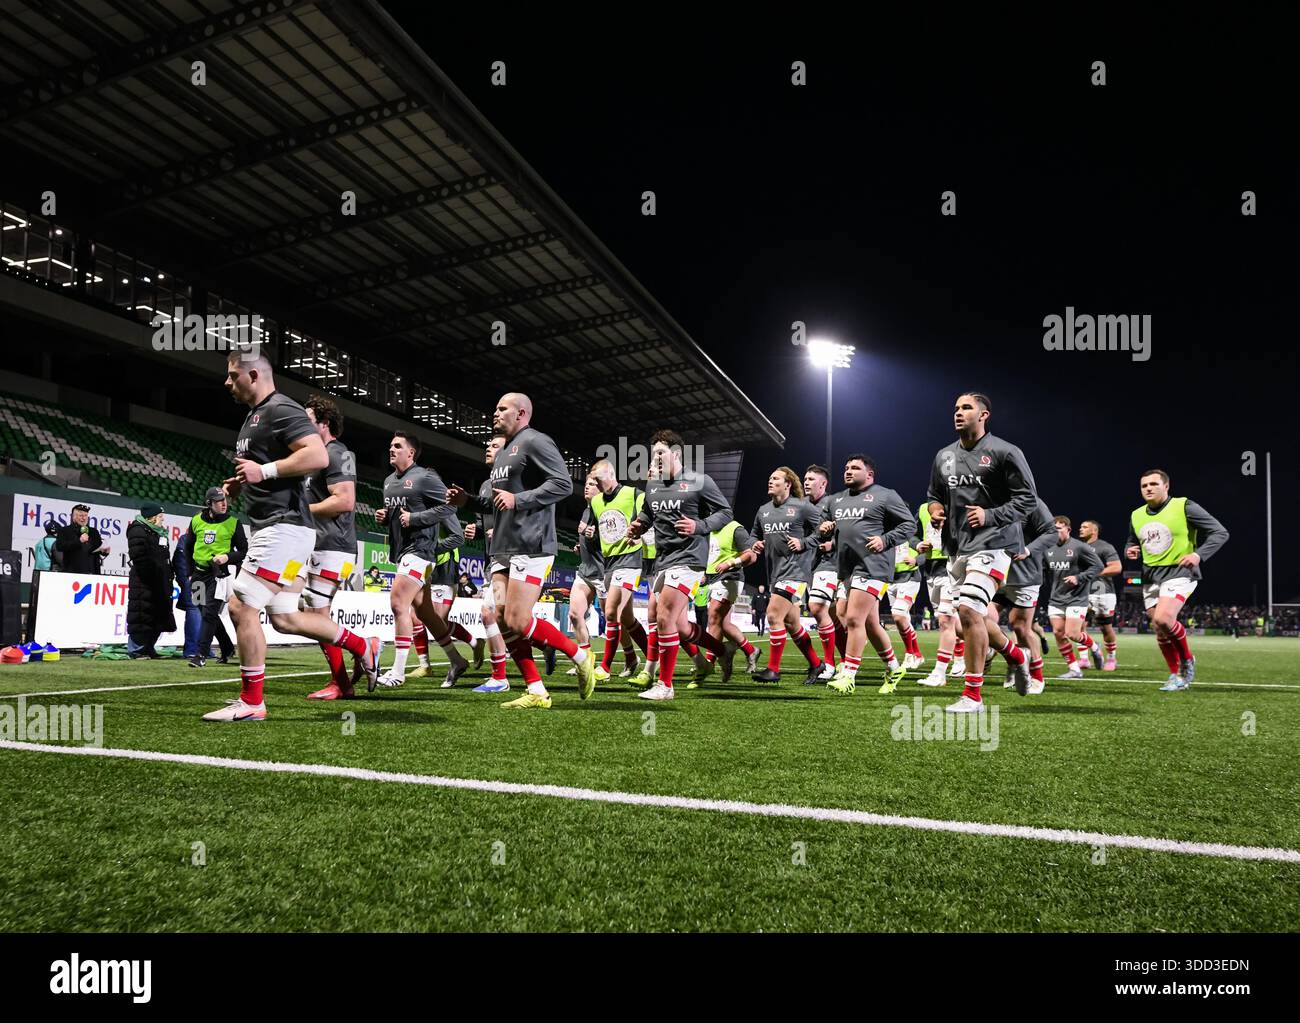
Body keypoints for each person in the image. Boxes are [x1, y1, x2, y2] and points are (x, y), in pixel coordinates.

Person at [203, 349, 377, 721]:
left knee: (240, 606)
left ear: (254, 375)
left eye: (233, 375)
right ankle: (363, 645)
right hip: (282, 529)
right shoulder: (254, 417)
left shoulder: (282, 408)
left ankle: (252, 703)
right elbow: (269, 469)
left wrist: (262, 472)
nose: (227, 382)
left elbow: (317, 456)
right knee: (285, 617)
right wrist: (242, 483)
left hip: (283, 529)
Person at [447, 392, 590, 709]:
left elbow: (564, 484)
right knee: (499, 616)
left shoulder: (536, 441)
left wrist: (519, 501)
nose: (495, 412)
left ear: (521, 413)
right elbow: (497, 500)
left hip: (531, 542)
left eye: (502, 408)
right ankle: (536, 690)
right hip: (502, 547)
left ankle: (580, 655)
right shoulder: (502, 455)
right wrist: (468, 501)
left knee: (517, 618)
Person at [925, 392, 1039, 714]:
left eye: (966, 408)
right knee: (966, 618)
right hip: (958, 547)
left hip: (995, 543)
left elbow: (1028, 500)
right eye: (956, 408)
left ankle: (972, 695)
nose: (958, 413)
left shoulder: (1005, 452)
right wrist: (936, 510)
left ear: (984, 414)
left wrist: (990, 516)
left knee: (971, 612)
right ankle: (1017, 655)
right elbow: (934, 494)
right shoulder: (943, 456)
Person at [625, 429, 732, 700]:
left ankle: (665, 685)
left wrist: (700, 525)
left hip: (690, 558)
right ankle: (717, 654)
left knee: (664, 617)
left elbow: (726, 512)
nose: (656, 459)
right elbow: (648, 515)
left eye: (660, 453)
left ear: (676, 455)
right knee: (681, 626)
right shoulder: (653, 485)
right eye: (653, 455)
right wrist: (638, 526)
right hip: (663, 561)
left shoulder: (699, 481)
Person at [373, 432, 469, 690]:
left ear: (411, 453)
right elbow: (399, 515)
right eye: (390, 445)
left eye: (397, 446)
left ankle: (398, 671)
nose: (391, 449)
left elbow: (451, 507)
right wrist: (386, 517)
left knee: (397, 602)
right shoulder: (388, 481)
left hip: (422, 551)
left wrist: (416, 519)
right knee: (425, 613)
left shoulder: (425, 477)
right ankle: (456, 660)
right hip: (403, 551)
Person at [818, 454, 917, 695]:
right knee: (859, 619)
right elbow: (823, 527)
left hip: (873, 565)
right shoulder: (835, 500)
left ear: (869, 474)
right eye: (846, 467)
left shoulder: (885, 495)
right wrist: (825, 529)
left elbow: (909, 525)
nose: (848, 471)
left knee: (853, 618)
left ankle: (849, 674)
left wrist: (885, 540)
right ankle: (894, 667)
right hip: (847, 568)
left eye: (855, 468)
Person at [1125, 469, 1229, 691]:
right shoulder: (1136, 515)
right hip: (1150, 575)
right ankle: (1175, 675)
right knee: (1159, 628)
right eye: (1144, 486)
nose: (1148, 488)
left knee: (1163, 619)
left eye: (1154, 484)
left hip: (1180, 571)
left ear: (1166, 486)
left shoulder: (1184, 506)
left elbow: (1220, 532)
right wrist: (1130, 550)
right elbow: (1132, 541)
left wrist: (1198, 555)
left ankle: (1187, 662)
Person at [299, 395, 362, 701]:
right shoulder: (315, 457)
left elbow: (345, 500)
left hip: (335, 546)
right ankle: (343, 679)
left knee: (315, 613)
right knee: (310, 612)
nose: (302, 424)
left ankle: (359, 653)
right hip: (318, 545)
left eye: (308, 419)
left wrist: (303, 511)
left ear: (324, 424)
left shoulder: (340, 453)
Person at [749, 466, 828, 685]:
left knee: (773, 616)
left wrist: (804, 543)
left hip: (797, 572)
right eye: (769, 478)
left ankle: (773, 670)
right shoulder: (763, 510)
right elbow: (753, 534)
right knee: (792, 624)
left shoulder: (802, 506)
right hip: (775, 573)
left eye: (775, 478)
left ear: (788, 484)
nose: (770, 481)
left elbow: (824, 529)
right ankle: (816, 664)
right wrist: (753, 543)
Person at [185, 487, 245, 668]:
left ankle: (200, 654)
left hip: (219, 575)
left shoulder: (234, 523)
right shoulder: (196, 520)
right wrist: (189, 572)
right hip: (198, 573)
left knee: (209, 614)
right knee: (203, 611)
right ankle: (227, 647)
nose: (224, 503)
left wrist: (227, 557)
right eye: (219, 500)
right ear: (209, 503)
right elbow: (188, 547)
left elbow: (244, 551)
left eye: (225, 499)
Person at [1044, 515, 1105, 680]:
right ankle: (1074, 669)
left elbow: (1098, 566)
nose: (1054, 533)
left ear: (1068, 529)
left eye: (1058, 529)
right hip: (1056, 598)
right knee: (1058, 633)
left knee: (1072, 634)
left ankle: (1094, 647)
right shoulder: (1047, 548)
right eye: (1052, 530)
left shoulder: (1079, 547)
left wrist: (1079, 578)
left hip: (1077, 598)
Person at [126, 504, 176, 659]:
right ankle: (137, 649)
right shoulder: (137, 530)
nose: (163, 520)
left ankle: (148, 647)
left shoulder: (158, 532)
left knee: (158, 615)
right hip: (144, 581)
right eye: (160, 516)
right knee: (142, 615)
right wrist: (153, 575)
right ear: (152, 517)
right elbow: (139, 556)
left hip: (160, 581)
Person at [1078, 519, 1123, 669]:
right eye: (1080, 527)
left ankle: (1111, 658)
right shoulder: (1075, 547)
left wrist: (1093, 573)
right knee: (1078, 626)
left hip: (1102, 592)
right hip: (1081, 593)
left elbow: (1116, 567)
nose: (1081, 529)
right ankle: (1084, 658)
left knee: (1105, 627)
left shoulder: (1105, 547)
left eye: (1085, 527)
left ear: (1094, 530)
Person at [171, 528, 203, 661]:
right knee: (195, 609)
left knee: (201, 611)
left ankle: (201, 649)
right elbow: (179, 561)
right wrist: (187, 578)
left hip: (202, 580)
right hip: (195, 580)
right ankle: (193, 649)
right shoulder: (187, 539)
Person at [55, 504, 108, 575]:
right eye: (81, 516)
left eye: (86, 515)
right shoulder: (65, 531)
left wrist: (104, 551)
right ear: (74, 517)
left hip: (92, 572)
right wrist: (79, 541)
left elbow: (98, 548)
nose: (84, 518)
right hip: (73, 573)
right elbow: (60, 547)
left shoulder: (93, 531)